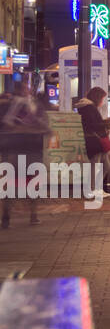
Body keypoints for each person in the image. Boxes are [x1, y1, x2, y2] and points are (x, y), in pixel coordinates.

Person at [0, 84, 54, 228]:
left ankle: (17, 217)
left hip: (21, 149)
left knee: (20, 183)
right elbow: (46, 128)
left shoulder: (29, 106)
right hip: (22, 149)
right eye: (24, 88)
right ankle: (26, 216)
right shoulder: (15, 106)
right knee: (24, 183)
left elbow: (45, 127)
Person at [76, 87, 110, 198]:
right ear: (97, 98)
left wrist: (104, 122)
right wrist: (106, 123)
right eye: (101, 98)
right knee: (95, 165)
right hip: (94, 140)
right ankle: (91, 190)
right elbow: (93, 124)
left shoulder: (88, 107)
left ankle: (96, 188)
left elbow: (93, 122)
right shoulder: (89, 108)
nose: (102, 101)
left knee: (104, 164)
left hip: (95, 139)